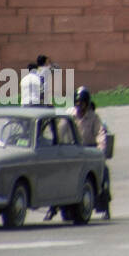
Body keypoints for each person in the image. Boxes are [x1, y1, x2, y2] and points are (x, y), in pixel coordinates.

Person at [47, 86, 111, 220]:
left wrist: (100, 152)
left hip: (88, 152)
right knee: (57, 175)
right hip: (72, 151)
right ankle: (52, 209)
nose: (79, 106)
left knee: (104, 173)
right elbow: (60, 132)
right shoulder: (69, 115)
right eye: (77, 103)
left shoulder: (94, 117)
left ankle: (105, 208)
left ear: (87, 103)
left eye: (81, 103)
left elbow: (101, 135)